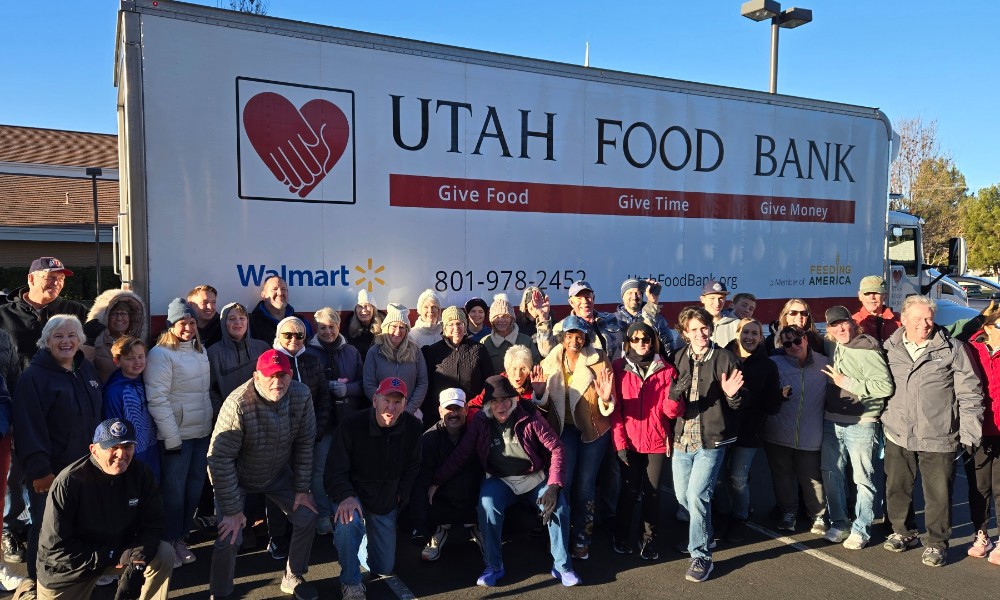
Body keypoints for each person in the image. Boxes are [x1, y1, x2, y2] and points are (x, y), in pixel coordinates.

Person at [432, 375, 578, 588]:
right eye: (495, 401)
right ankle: (493, 565)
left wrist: (554, 485)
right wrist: (436, 481)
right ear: (488, 404)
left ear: (514, 400)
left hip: (533, 477)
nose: (501, 405)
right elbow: (462, 454)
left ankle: (562, 566)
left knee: (559, 508)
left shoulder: (529, 415)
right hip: (500, 479)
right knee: (487, 505)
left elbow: (557, 448)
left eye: (505, 399)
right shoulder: (481, 421)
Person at [207, 349, 318, 600]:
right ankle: (220, 593)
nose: (277, 381)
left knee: (307, 515)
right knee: (229, 535)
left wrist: (301, 488)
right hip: (237, 478)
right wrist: (234, 510)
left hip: (277, 473)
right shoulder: (237, 404)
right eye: (270, 375)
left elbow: (305, 442)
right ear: (257, 376)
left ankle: (293, 575)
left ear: (291, 376)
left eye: (283, 375)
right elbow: (219, 459)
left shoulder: (301, 395)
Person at [881, 295, 984, 567]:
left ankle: (937, 543)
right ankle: (903, 532)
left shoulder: (952, 349)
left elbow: (970, 392)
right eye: (917, 319)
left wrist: (970, 432)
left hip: (938, 434)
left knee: (938, 494)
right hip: (898, 432)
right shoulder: (890, 347)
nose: (924, 324)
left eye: (928, 318)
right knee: (897, 487)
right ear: (903, 320)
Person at [12, 315, 102, 597]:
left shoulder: (85, 369)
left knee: (80, 527)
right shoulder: (33, 378)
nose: (66, 341)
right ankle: (39, 584)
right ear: (46, 341)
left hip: (87, 468)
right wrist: (40, 471)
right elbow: (28, 428)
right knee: (46, 531)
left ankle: (75, 580)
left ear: (80, 340)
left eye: (71, 335)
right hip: (52, 473)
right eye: (58, 336)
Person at [35, 418, 174, 600]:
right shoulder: (68, 483)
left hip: (118, 552)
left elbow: (153, 523)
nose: (121, 454)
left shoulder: (141, 474)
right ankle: (27, 593)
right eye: (112, 447)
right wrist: (110, 555)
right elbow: (56, 549)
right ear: (94, 450)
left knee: (164, 554)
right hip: (73, 567)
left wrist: (138, 562)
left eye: (127, 447)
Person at [326, 377, 422, 600]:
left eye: (398, 402)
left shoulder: (413, 427)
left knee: (382, 567)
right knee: (348, 524)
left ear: (405, 404)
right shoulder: (351, 426)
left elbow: (413, 465)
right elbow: (333, 471)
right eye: (387, 400)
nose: (391, 407)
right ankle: (350, 582)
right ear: (375, 400)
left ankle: (351, 544)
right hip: (354, 493)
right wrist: (346, 496)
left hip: (385, 498)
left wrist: (401, 494)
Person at [669, 306, 743, 583]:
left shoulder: (726, 358)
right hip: (681, 439)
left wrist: (731, 396)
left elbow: (739, 403)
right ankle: (706, 536)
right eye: (694, 329)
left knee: (698, 495)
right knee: (682, 498)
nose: (701, 333)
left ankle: (700, 555)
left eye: (705, 328)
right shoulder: (676, 358)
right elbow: (670, 400)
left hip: (711, 441)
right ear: (685, 333)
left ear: (710, 328)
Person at [534, 314, 615, 560]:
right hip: (563, 430)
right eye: (569, 336)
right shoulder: (551, 360)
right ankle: (562, 535)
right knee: (564, 484)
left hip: (593, 430)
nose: (574, 341)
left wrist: (604, 398)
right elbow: (544, 407)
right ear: (562, 337)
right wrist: (539, 394)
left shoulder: (599, 360)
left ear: (586, 338)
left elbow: (610, 401)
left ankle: (583, 535)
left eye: (579, 336)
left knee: (585, 485)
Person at [819, 305, 894, 550]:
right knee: (832, 475)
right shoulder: (833, 345)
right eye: (834, 325)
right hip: (832, 420)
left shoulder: (867, 348)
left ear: (852, 323)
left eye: (844, 323)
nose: (841, 329)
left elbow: (886, 387)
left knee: (863, 479)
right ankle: (840, 523)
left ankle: (862, 528)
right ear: (829, 330)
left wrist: (847, 382)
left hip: (862, 423)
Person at [144, 298, 212, 568]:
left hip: (200, 431)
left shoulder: (200, 350)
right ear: (170, 325)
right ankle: (170, 540)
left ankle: (181, 536)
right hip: (177, 436)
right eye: (182, 322)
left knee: (194, 487)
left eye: (192, 322)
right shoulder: (160, 355)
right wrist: (171, 438)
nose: (188, 327)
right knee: (173, 491)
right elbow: (157, 399)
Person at [610, 321, 682, 559]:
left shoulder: (667, 370)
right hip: (629, 442)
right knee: (629, 492)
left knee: (652, 493)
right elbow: (615, 410)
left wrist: (674, 397)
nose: (642, 344)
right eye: (636, 339)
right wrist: (620, 444)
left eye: (647, 339)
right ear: (628, 342)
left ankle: (649, 539)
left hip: (657, 442)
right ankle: (620, 534)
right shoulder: (618, 367)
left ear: (654, 341)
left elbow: (672, 413)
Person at [268, 317, 330, 559]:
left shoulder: (313, 360)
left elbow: (324, 397)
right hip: (279, 437)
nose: (293, 339)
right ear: (278, 335)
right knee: (276, 487)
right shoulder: (271, 360)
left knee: (303, 483)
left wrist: (318, 428)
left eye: (299, 335)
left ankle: (300, 531)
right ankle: (277, 536)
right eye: (287, 335)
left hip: (308, 436)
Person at [722, 318, 783, 543]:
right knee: (718, 478)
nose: (749, 337)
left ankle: (740, 517)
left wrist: (778, 398)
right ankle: (723, 513)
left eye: (755, 333)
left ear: (760, 337)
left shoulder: (768, 365)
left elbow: (771, 405)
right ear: (737, 333)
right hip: (721, 428)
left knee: (737, 477)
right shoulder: (723, 357)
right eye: (745, 332)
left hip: (750, 430)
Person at [764, 325, 830, 534]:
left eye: (796, 341)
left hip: (811, 433)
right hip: (777, 432)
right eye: (787, 343)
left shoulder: (824, 362)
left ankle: (818, 515)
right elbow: (764, 393)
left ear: (806, 339)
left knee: (812, 477)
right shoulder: (774, 363)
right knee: (782, 477)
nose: (793, 346)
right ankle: (788, 513)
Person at [307, 307, 364, 535]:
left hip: (347, 421)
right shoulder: (309, 352)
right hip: (322, 422)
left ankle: (348, 510)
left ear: (339, 327)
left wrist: (346, 388)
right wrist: (326, 387)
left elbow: (364, 384)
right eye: (323, 327)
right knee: (319, 468)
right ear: (316, 328)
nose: (328, 331)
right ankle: (323, 513)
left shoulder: (351, 351)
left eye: (332, 327)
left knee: (349, 467)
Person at [410, 389, 483, 561]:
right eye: (448, 409)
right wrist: (420, 523)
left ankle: (480, 527)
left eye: (457, 408)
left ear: (466, 409)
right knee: (424, 496)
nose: (454, 414)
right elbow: (421, 481)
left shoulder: (477, 432)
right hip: (443, 499)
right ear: (440, 411)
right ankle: (438, 530)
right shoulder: (428, 439)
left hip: (472, 496)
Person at [0, 257, 87, 370]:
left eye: (61, 278)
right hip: (19, 385)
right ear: (31, 279)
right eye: (50, 277)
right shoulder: (3, 313)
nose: (56, 283)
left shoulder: (76, 311)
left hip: (63, 384)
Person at [422, 307, 494, 430]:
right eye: (451, 324)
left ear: (465, 325)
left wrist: (479, 409)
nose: (456, 328)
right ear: (444, 327)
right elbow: (426, 386)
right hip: (441, 417)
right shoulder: (431, 351)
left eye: (459, 323)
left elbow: (489, 382)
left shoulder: (478, 349)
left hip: (472, 416)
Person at [965, 309, 1000, 562]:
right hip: (977, 429)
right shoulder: (971, 349)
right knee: (979, 487)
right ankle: (982, 534)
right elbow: (951, 335)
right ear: (988, 328)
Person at [103, 336, 161, 481]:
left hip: (153, 450)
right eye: (130, 358)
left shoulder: (149, 380)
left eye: (141, 356)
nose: (137, 362)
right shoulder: (114, 391)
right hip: (132, 456)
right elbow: (113, 428)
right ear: (117, 361)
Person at [363, 304, 428, 418]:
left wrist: (409, 409)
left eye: (402, 327)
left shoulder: (415, 350)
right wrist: (385, 406)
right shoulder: (374, 352)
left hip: (410, 413)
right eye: (394, 326)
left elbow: (422, 383)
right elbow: (369, 384)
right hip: (382, 413)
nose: (398, 331)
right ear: (386, 327)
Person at [207, 302, 270, 417]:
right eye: (231, 319)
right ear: (223, 323)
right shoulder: (213, 353)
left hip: (260, 414)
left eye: (242, 318)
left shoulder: (262, 348)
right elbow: (209, 389)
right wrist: (223, 411)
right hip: (228, 415)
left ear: (247, 321)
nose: (238, 322)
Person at [534, 280, 622, 361]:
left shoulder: (611, 319)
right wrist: (543, 317)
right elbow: (546, 351)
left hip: (616, 375)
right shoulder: (563, 326)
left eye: (587, 296)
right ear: (571, 302)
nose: (584, 301)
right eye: (579, 298)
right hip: (587, 377)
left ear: (593, 298)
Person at [82, 288, 147, 383]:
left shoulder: (137, 344)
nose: (119, 318)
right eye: (113, 314)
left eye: (123, 313)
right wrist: (87, 344)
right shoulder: (95, 344)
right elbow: (84, 371)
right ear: (104, 317)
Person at [615, 279, 679, 360]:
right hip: (622, 369)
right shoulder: (613, 321)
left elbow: (668, 348)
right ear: (622, 297)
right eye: (629, 293)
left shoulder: (657, 320)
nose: (634, 297)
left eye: (638, 293)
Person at [480, 294, 539, 374]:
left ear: (512, 319)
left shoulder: (526, 340)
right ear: (491, 320)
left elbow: (536, 365)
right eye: (496, 317)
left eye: (505, 316)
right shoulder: (485, 342)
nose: (501, 320)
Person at [249, 275, 311, 345]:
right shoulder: (251, 323)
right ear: (263, 295)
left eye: (283, 289)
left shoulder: (302, 322)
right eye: (274, 289)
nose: (280, 293)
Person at [852, 276, 900, 346]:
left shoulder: (899, 320)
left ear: (885, 296)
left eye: (876, 293)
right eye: (867, 293)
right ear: (860, 296)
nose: (872, 297)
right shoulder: (853, 322)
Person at [345, 290, 382, 362]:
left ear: (373, 308)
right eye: (360, 306)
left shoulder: (384, 327)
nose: (363, 310)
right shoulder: (348, 328)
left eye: (367, 306)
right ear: (355, 310)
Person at [699, 280, 739, 347]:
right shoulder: (693, 325)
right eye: (712, 298)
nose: (717, 303)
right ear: (702, 299)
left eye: (721, 298)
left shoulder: (736, 325)